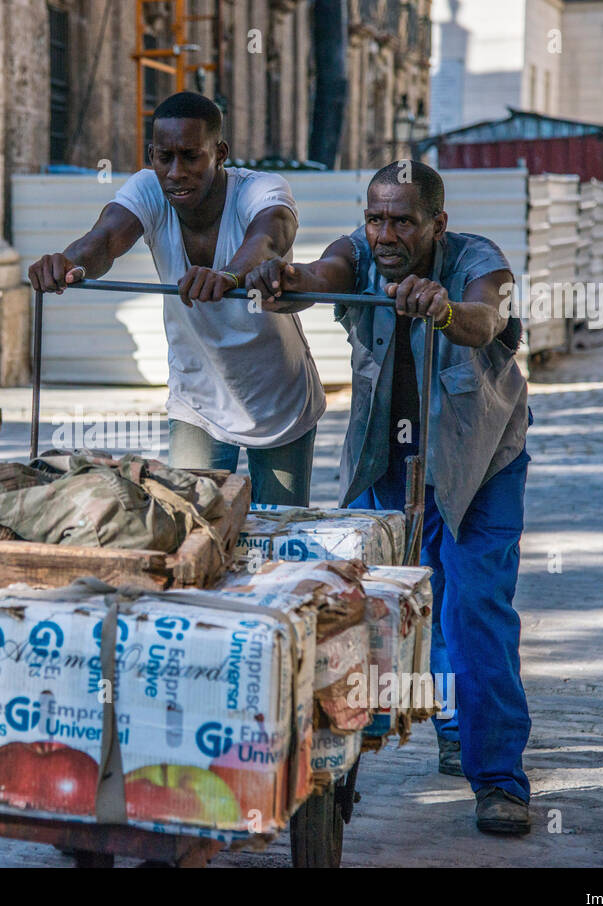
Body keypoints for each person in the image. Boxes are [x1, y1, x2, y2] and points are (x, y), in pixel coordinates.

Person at [244, 161, 533, 835]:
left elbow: (488, 316)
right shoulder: (358, 251)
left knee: (473, 609)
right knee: (375, 611)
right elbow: (319, 275)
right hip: (388, 458)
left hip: (479, 464)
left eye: (402, 219)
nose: (385, 232)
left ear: (437, 223)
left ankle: (497, 777)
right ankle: (343, 769)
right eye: (376, 217)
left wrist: (449, 308)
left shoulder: (476, 259)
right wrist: (280, 279)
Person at [27, 92, 325, 506]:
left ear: (220, 153)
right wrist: (68, 263)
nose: (176, 172)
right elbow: (106, 239)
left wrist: (228, 274)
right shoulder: (149, 189)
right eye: (164, 157)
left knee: (278, 532)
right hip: (197, 399)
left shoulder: (261, 189)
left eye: (191, 157)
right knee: (191, 523)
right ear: (151, 155)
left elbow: (271, 235)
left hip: (277, 398)